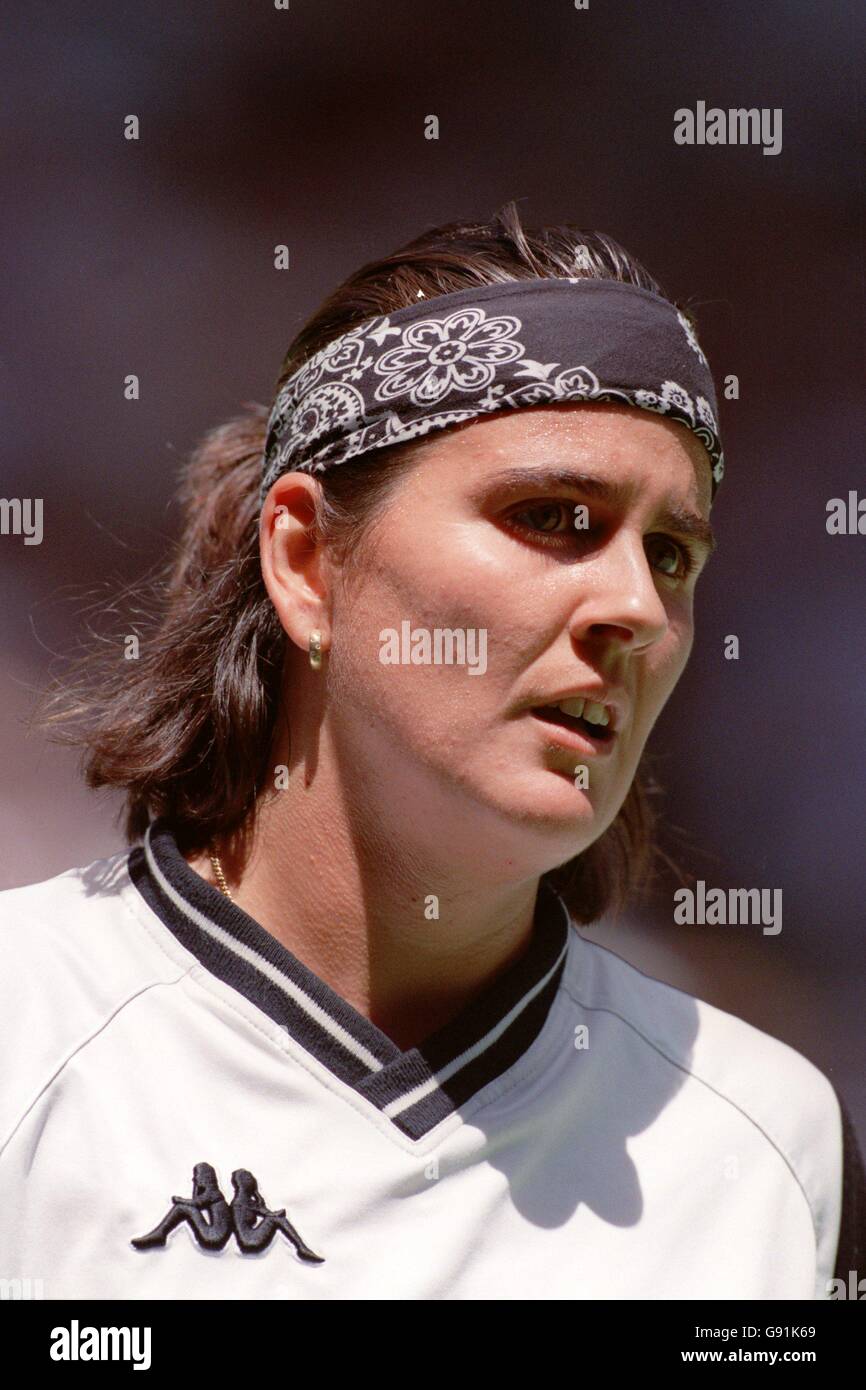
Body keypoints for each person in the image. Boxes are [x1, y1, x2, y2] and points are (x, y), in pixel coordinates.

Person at [1, 202, 862, 1299]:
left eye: (672, 552)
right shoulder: (22, 1034)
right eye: (554, 515)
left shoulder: (771, 1146)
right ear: (308, 561)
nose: (636, 606)